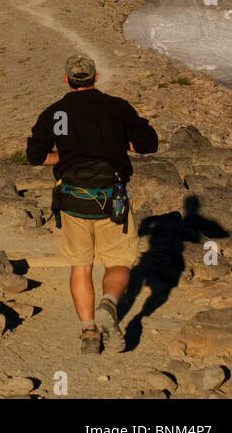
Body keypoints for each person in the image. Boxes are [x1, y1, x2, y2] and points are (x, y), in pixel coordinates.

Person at [26, 54, 158, 354]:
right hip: (112, 199)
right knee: (119, 263)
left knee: (80, 267)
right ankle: (108, 304)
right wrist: (120, 146)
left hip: (71, 200)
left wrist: (67, 157)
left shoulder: (55, 113)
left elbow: (35, 156)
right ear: (96, 78)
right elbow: (149, 144)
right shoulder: (116, 107)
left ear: (67, 80)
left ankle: (88, 332)